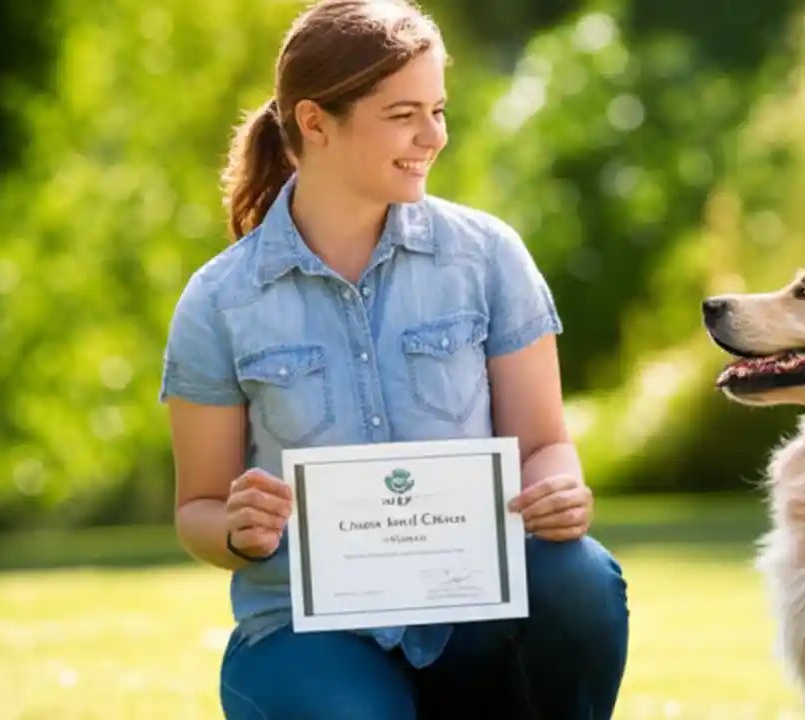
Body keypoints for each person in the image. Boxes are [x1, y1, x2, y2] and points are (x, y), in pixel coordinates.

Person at [159, 1, 629, 717]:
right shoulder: (219, 300)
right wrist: (234, 529)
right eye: (404, 113)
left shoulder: (487, 257)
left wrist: (558, 490)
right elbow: (198, 508)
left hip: (476, 610)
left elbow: (545, 446)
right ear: (315, 122)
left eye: (438, 109)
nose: (433, 136)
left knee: (580, 578)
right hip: (309, 631)